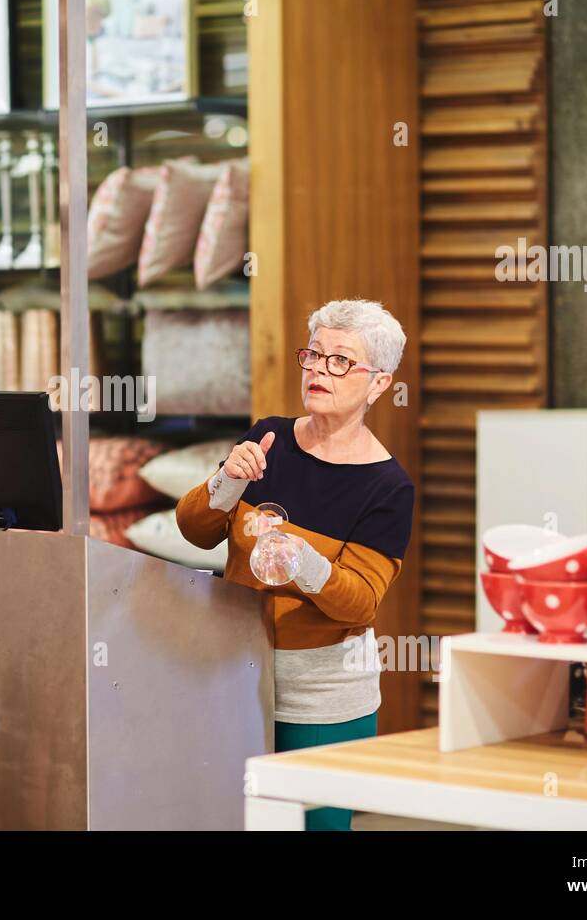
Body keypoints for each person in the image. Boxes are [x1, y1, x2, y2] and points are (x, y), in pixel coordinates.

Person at [176, 299, 414, 831]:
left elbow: (359, 600)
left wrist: (301, 560)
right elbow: (195, 529)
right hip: (233, 672)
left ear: (379, 384)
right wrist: (227, 481)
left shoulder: (388, 486)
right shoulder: (269, 438)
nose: (317, 370)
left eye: (340, 361)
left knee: (315, 827)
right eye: (313, 355)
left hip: (321, 694)